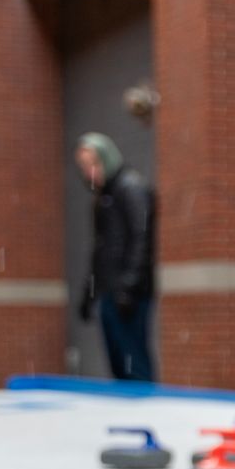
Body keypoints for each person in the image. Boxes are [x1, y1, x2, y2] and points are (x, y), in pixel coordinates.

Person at [75, 133, 157, 382]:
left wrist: (129, 286)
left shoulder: (130, 188)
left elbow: (142, 238)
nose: (89, 173)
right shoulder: (102, 199)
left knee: (134, 363)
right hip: (108, 293)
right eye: (84, 167)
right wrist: (89, 293)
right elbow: (100, 250)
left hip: (129, 294)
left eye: (93, 164)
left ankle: (145, 413)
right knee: (118, 364)